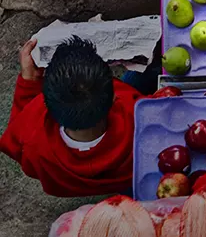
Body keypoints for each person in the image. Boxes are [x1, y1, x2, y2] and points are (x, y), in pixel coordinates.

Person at [0, 37, 142, 197]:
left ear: (46, 102)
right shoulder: (136, 114)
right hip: (130, 174)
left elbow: (17, 135)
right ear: (114, 97)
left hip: (81, 182)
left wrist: (29, 81)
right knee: (139, 77)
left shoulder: (33, 142)